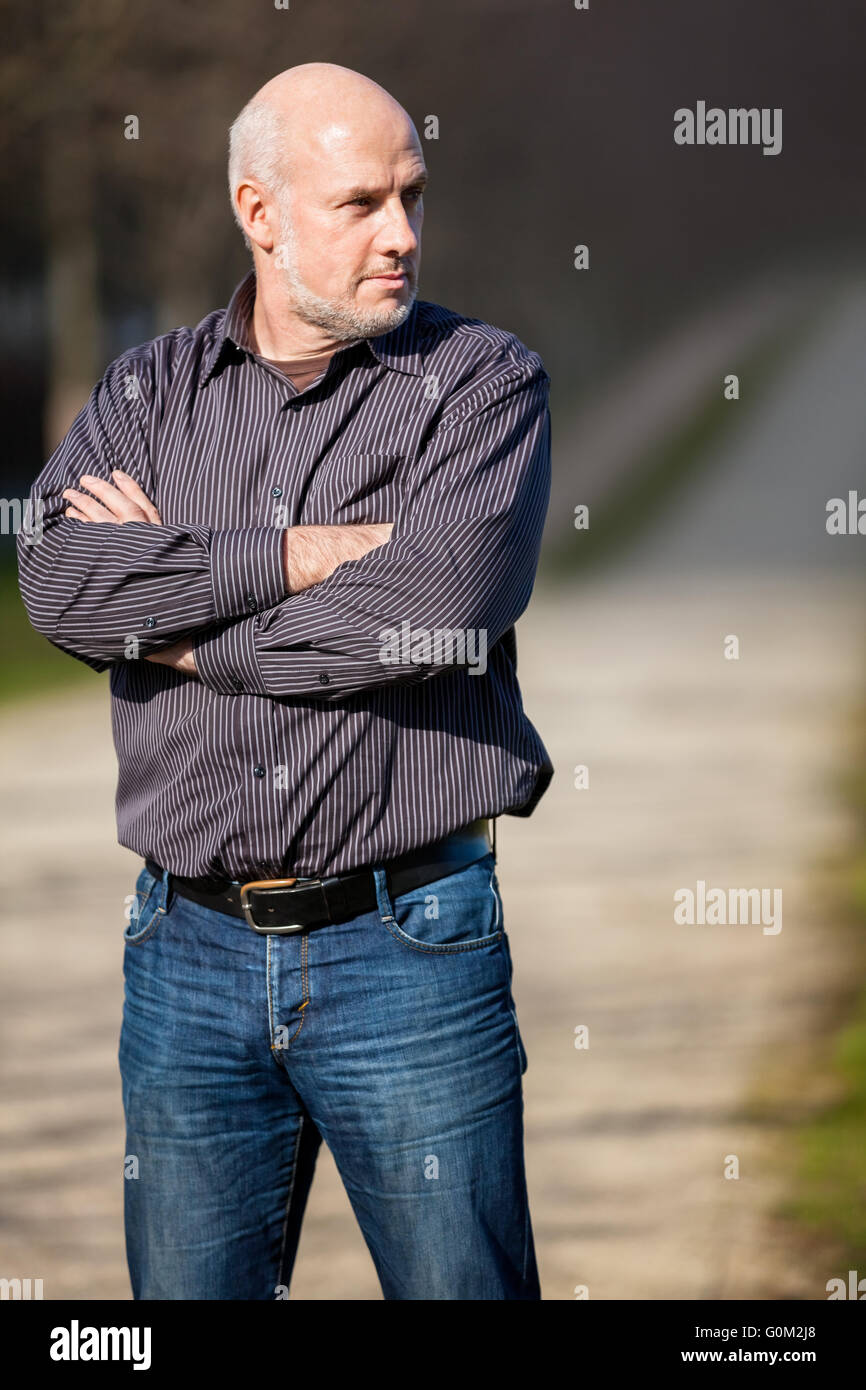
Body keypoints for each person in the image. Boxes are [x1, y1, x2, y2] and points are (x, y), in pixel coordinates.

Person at [17, 62, 553, 1301]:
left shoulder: (480, 383)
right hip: (182, 952)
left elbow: (434, 611)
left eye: (411, 195)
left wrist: (191, 633)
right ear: (259, 214)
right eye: (360, 203)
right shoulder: (147, 392)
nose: (403, 235)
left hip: (410, 947)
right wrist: (304, 555)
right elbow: (57, 585)